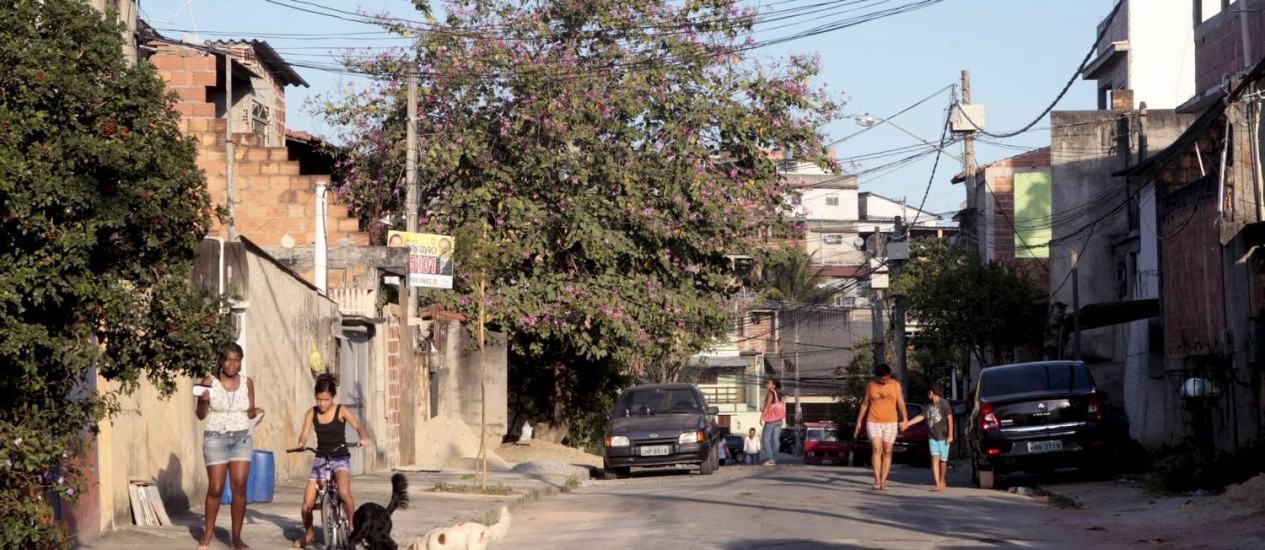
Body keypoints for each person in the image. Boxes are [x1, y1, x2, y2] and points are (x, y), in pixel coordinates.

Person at [195, 344, 262, 550]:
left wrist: (257, 412)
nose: (232, 364)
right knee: (215, 488)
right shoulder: (209, 382)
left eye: (236, 360)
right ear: (221, 361)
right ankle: (208, 535)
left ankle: (236, 539)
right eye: (228, 360)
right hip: (216, 439)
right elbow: (200, 415)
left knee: (240, 487)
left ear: (240, 361)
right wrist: (203, 402)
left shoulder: (247, 383)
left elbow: (249, 411)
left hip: (242, 438)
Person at [293, 374, 368, 548]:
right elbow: (304, 433)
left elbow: (358, 426)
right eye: (319, 399)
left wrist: (362, 437)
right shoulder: (311, 413)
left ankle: (351, 526)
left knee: (343, 492)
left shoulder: (341, 410)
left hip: (340, 457)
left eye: (326, 400)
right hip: (321, 459)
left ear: (333, 397)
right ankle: (310, 534)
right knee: (306, 505)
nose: (322, 404)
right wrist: (302, 443)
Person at [854, 363, 907, 491]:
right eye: (881, 379)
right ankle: (877, 479)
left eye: (886, 378)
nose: (884, 381)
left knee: (887, 451)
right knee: (877, 449)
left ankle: (884, 480)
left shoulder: (895, 385)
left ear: (889, 376)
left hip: (891, 422)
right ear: (876, 377)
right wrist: (859, 421)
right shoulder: (871, 386)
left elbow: (900, 403)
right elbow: (865, 404)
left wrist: (905, 419)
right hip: (873, 421)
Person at [902, 382, 954, 492]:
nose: (927, 394)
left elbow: (950, 418)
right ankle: (937, 483)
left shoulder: (944, 403)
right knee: (934, 458)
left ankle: (942, 480)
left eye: (929, 392)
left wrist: (950, 435)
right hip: (932, 436)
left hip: (943, 436)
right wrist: (908, 423)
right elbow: (921, 417)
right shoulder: (928, 406)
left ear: (933, 392)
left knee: (943, 460)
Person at [759, 378, 785, 466]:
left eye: (769, 383)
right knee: (776, 441)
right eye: (767, 383)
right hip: (779, 420)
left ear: (774, 385)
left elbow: (768, 406)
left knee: (765, 440)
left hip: (771, 421)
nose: (767, 385)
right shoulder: (778, 393)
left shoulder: (771, 393)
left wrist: (762, 417)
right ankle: (774, 458)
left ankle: (770, 459)